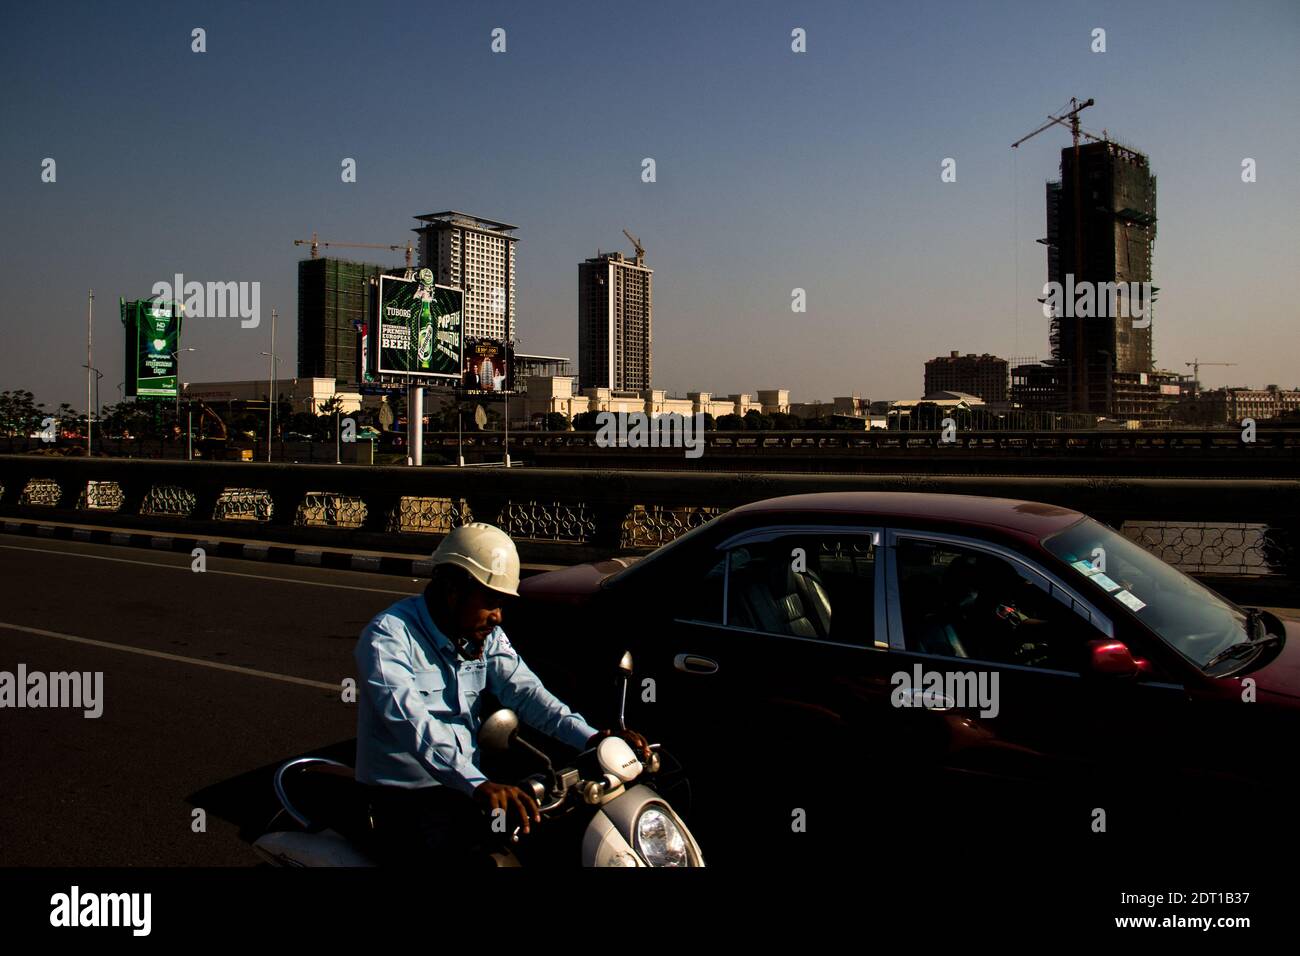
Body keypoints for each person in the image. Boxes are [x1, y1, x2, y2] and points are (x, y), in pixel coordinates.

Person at [355, 521, 649, 867]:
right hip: (404, 800)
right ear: (452, 589)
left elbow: (526, 694)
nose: (498, 616)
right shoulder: (388, 637)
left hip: (465, 790)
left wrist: (592, 740)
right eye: (490, 601)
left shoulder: (484, 635)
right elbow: (412, 721)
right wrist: (477, 783)